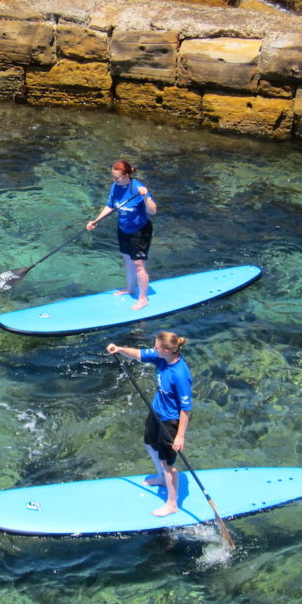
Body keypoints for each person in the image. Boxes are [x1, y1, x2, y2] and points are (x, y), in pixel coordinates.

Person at [106, 332, 191, 517]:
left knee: (168, 464)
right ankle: (161, 478)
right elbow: (137, 354)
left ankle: (172, 504)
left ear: (167, 350)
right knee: (149, 444)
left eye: (156, 347)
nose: (153, 349)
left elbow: (186, 409)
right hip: (156, 412)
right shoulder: (161, 357)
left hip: (170, 421)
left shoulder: (180, 374)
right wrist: (119, 349)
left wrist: (180, 436)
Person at [85, 160, 157, 310]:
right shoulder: (115, 187)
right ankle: (130, 289)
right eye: (113, 177)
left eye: (117, 177)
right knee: (127, 260)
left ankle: (143, 298)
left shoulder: (137, 188)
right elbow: (110, 206)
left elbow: (153, 211)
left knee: (139, 264)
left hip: (140, 231)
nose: (114, 180)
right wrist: (96, 220)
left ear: (127, 175)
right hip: (123, 228)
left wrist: (145, 197)